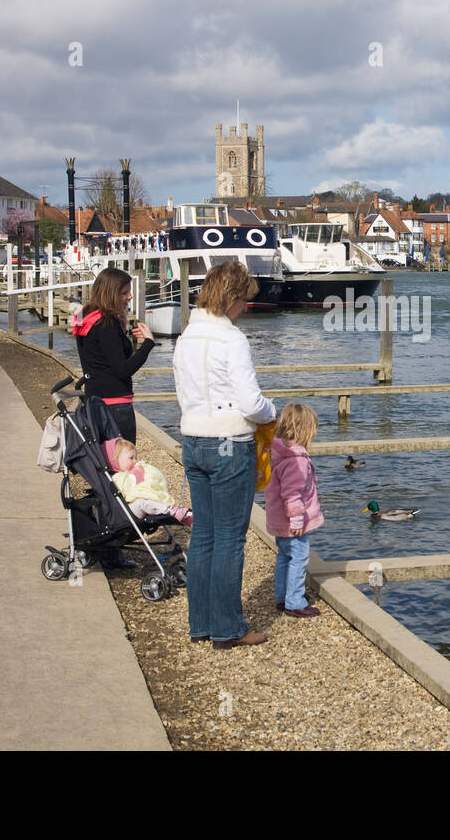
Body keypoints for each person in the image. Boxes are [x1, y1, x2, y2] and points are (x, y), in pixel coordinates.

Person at [172, 261, 276, 649]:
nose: (245, 308)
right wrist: (272, 412)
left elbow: (183, 393)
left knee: (203, 536)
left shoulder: (186, 337)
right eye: (243, 301)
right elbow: (250, 403)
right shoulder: (232, 340)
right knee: (231, 539)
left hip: (194, 440)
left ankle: (200, 623)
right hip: (230, 443)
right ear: (231, 297)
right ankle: (228, 628)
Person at [71, 267, 154, 444]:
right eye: (124, 293)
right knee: (122, 463)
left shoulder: (87, 318)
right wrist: (148, 343)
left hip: (94, 400)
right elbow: (123, 369)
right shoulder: (106, 325)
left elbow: (102, 358)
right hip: (115, 405)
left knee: (103, 462)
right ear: (111, 294)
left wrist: (123, 333)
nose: (129, 297)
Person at [264, 403, 324, 618]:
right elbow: (292, 494)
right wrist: (297, 520)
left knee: (284, 557)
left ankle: (282, 597)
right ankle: (295, 602)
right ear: (306, 431)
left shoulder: (276, 451)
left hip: (277, 518)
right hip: (291, 522)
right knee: (299, 558)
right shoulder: (296, 460)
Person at [104, 437, 192, 525]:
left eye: (135, 457)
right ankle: (173, 512)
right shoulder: (117, 478)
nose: (135, 461)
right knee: (142, 502)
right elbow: (128, 490)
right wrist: (136, 475)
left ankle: (181, 515)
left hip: (137, 508)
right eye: (131, 458)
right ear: (114, 460)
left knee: (148, 499)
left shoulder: (128, 472)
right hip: (127, 512)